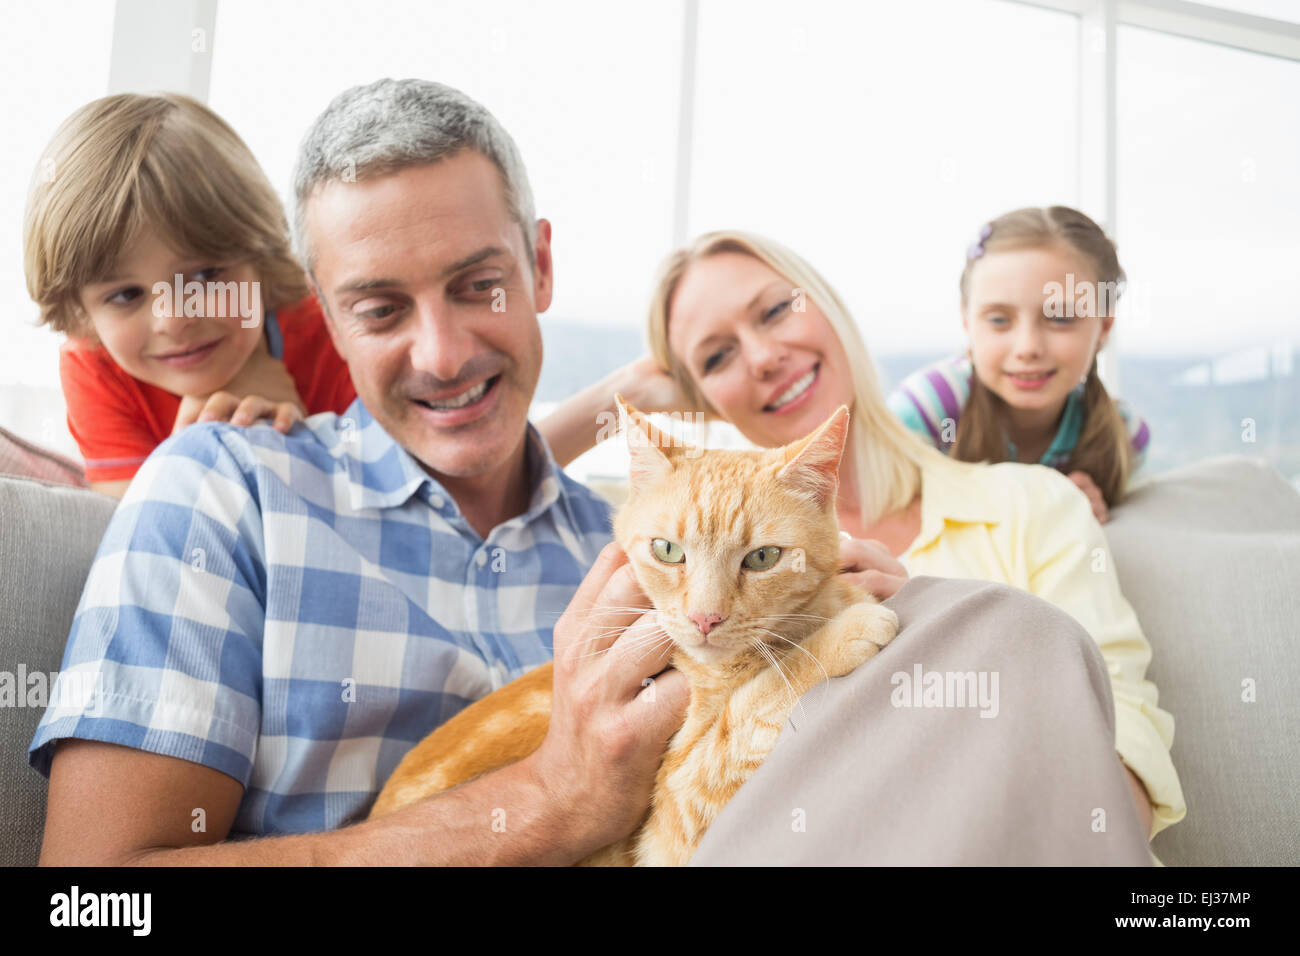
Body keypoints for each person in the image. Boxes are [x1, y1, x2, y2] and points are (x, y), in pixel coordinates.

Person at [29, 79, 689, 865]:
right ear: (328, 315)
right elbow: (95, 903)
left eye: (479, 285)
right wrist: (548, 800)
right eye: (379, 310)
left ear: (540, 266)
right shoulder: (219, 490)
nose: (442, 355)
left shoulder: (651, 553)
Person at [538, 229, 1186, 846]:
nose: (763, 358)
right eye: (717, 357)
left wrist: (938, 634)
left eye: (773, 313)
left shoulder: (1036, 503)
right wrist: (626, 393)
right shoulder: (675, 554)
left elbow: (1123, 757)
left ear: (830, 305)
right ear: (702, 395)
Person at [23, 93, 357, 498]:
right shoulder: (95, 367)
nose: (173, 319)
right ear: (81, 312)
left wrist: (300, 447)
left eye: (203, 276)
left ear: (261, 258)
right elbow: (129, 532)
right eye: (127, 294)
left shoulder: (334, 328)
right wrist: (191, 456)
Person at [887, 206, 1150, 523]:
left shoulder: (1124, 437)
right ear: (967, 321)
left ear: (1103, 329)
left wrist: (1089, 513)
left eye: (1060, 318)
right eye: (999, 320)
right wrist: (1033, 506)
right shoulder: (924, 411)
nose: (1028, 348)